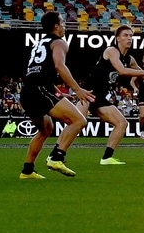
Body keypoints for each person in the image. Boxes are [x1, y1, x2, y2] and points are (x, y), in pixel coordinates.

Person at [19, 12, 94, 179]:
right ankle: (56, 157)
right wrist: (77, 89)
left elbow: (39, 72)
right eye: (63, 23)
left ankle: (27, 170)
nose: (65, 26)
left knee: (46, 129)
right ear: (56, 26)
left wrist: (59, 92)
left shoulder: (40, 42)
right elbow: (59, 66)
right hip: (40, 90)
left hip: (27, 91)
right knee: (79, 120)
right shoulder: (59, 42)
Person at [85, 24, 144, 165]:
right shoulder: (111, 51)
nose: (129, 38)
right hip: (88, 92)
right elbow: (122, 71)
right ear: (117, 39)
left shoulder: (130, 59)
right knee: (76, 122)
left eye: (130, 36)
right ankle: (56, 155)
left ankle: (106, 158)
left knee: (121, 123)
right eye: (125, 36)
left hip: (101, 97)